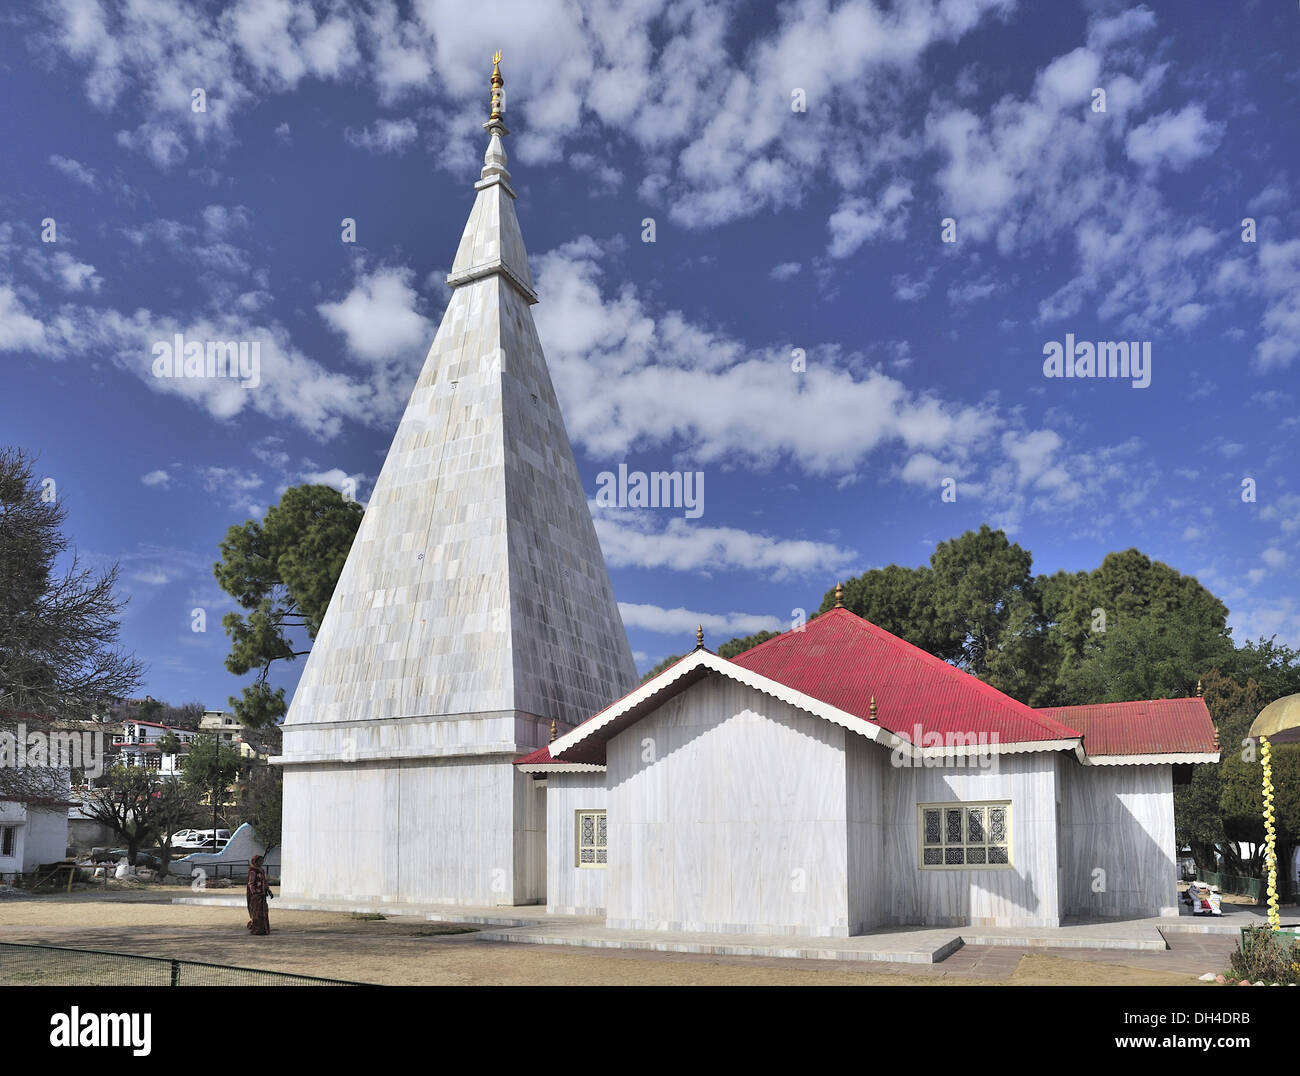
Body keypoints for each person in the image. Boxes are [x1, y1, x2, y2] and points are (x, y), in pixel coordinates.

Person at [246, 854, 273, 935]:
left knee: (263, 912)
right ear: (255, 861)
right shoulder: (252, 871)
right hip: (256, 896)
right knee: (256, 912)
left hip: (262, 895)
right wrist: (254, 893)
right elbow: (250, 883)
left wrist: (269, 891)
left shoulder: (261, 870)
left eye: (262, 861)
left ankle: (264, 929)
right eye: (260, 861)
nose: (261, 862)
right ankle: (256, 929)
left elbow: (264, 882)